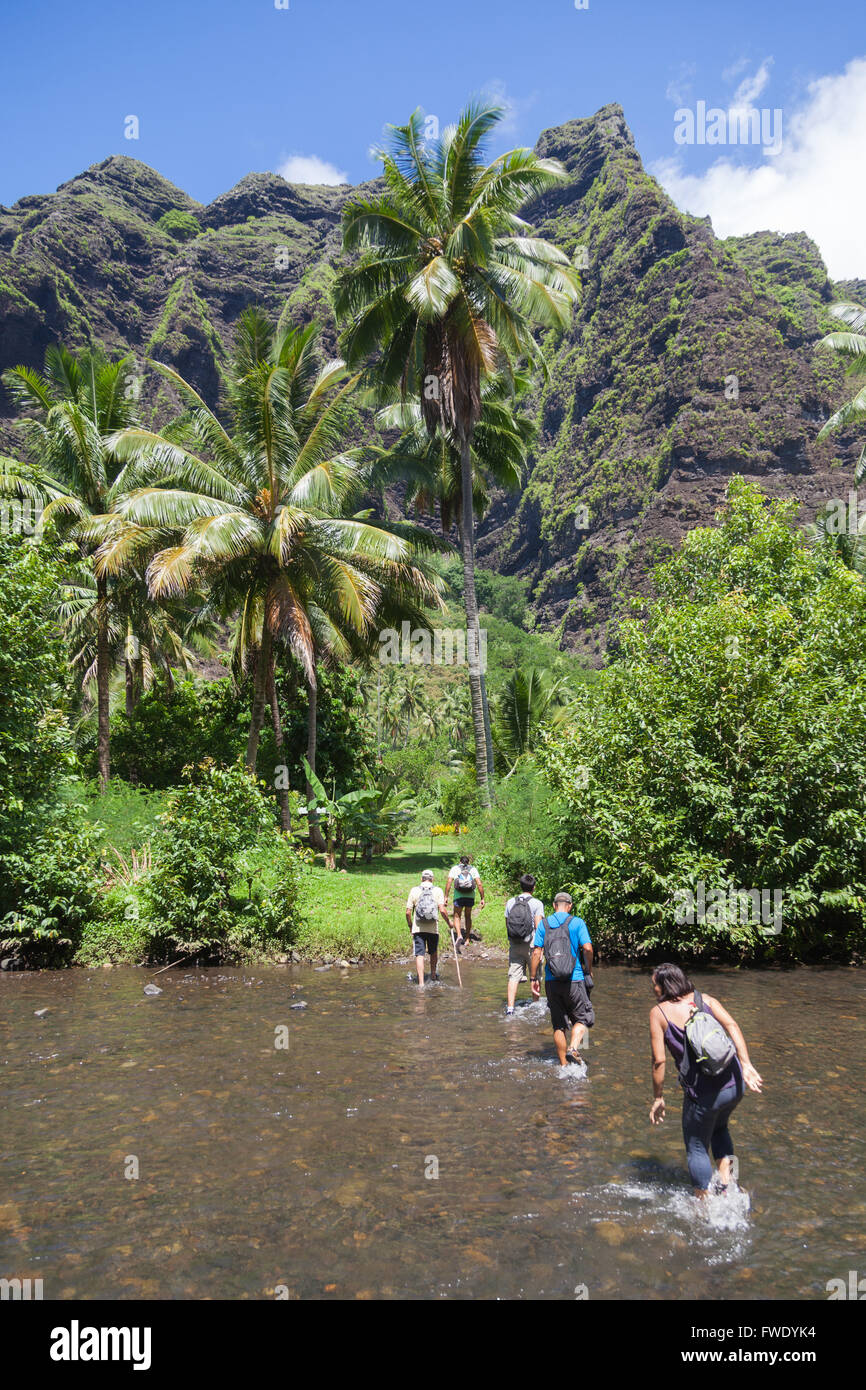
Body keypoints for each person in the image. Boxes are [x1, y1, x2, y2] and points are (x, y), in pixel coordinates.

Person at [648, 962, 763, 1198]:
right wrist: (747, 1063)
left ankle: (703, 1205)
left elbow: (659, 1061)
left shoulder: (658, 1013)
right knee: (719, 1127)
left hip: (704, 1093)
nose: (653, 990)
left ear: (664, 985)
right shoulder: (706, 1000)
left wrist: (658, 1097)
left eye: (655, 985)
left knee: (696, 1146)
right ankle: (726, 1186)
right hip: (736, 1082)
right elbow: (732, 1025)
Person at [530, 891, 594, 1064]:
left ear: (554, 905)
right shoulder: (577, 923)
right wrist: (588, 969)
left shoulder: (544, 924)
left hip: (552, 981)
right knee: (582, 1019)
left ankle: (564, 1065)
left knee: (558, 1025)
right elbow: (588, 949)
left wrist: (533, 978)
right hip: (575, 979)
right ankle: (573, 1048)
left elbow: (537, 952)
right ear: (570, 906)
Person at [504, 873, 545, 1015]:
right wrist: (540, 949)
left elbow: (507, 924)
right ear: (534, 887)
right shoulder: (537, 903)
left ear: (520, 886)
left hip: (515, 944)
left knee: (513, 977)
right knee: (536, 976)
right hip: (532, 946)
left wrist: (512, 941)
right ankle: (535, 1006)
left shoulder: (510, 902)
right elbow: (539, 926)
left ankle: (510, 1008)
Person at [405, 869, 451, 986]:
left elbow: (408, 912)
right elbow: (442, 909)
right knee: (433, 952)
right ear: (432, 879)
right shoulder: (438, 891)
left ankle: (421, 983)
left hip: (418, 928)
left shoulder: (414, 890)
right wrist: (449, 922)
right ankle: (433, 975)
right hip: (433, 928)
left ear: (421, 879)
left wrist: (411, 926)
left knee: (419, 954)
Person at [444, 854, 485, 950]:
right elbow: (479, 883)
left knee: (457, 915)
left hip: (458, 896)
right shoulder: (473, 869)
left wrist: (446, 896)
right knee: (468, 916)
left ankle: (458, 935)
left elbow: (449, 882)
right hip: (470, 896)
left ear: (460, 862)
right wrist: (482, 898)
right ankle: (467, 939)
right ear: (468, 862)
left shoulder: (455, 868)